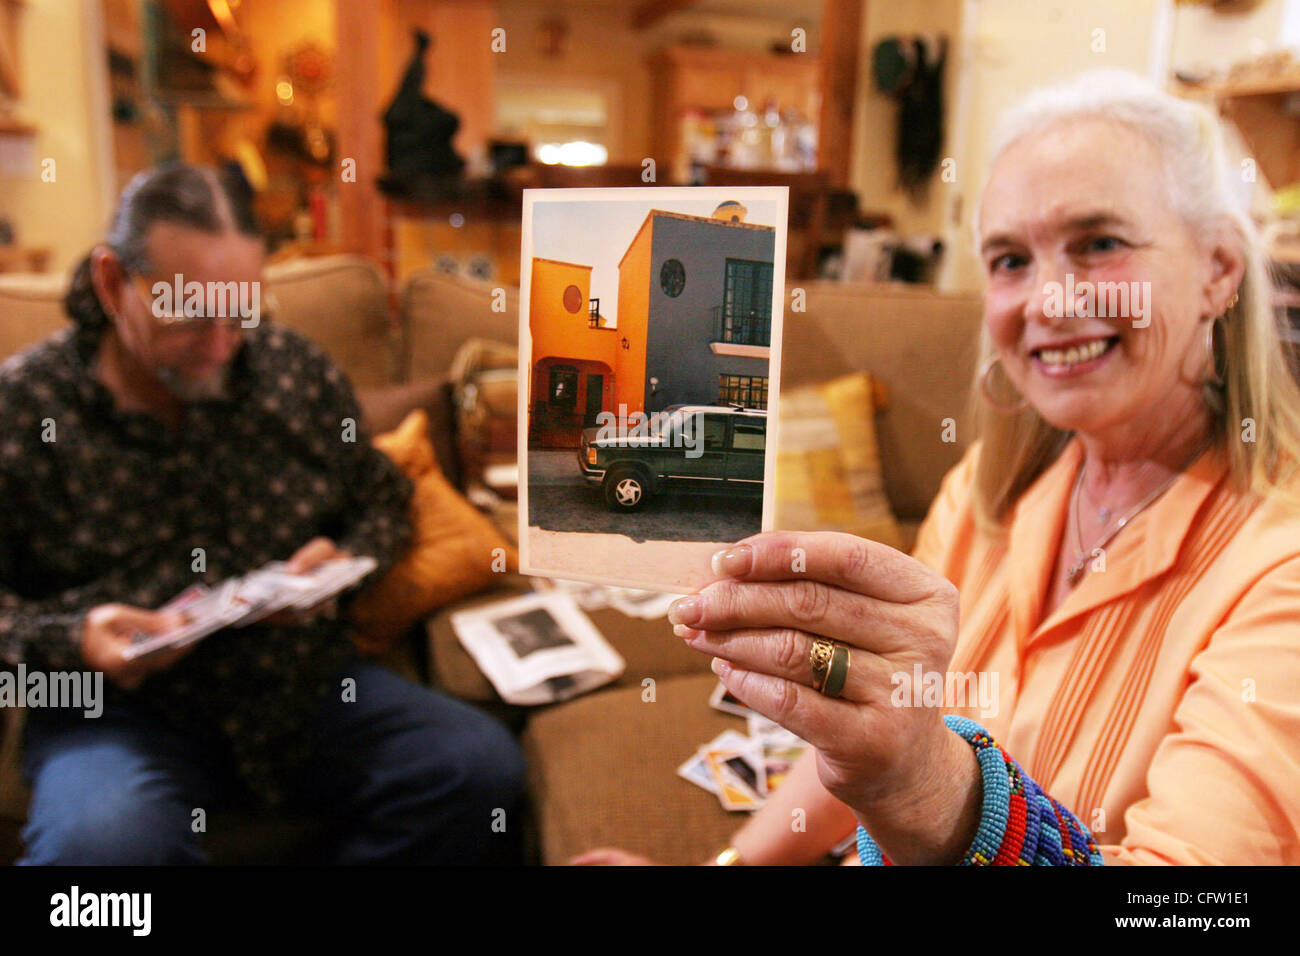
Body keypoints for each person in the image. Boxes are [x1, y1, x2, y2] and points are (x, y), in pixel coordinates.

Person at [576, 69, 1300, 866]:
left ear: (1220, 272)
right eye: (1010, 260)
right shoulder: (993, 489)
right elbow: (871, 734)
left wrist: (924, 785)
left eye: (1100, 244)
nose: (1047, 303)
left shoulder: (1280, 565)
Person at [0, 163, 525, 864]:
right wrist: (74, 639)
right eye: (191, 317)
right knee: (101, 851)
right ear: (111, 282)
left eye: (241, 314)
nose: (221, 347)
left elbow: (384, 500)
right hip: (114, 713)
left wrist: (344, 565)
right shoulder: (24, 408)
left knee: (476, 769)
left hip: (299, 684)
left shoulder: (292, 372)